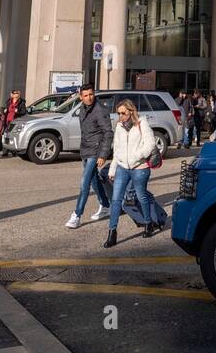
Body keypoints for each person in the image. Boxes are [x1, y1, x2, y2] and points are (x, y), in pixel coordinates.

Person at [103, 98, 158, 247]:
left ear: (131, 111)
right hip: (122, 167)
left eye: (123, 113)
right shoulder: (119, 126)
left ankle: (148, 223)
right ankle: (112, 233)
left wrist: (136, 156)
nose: (120, 116)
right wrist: (113, 168)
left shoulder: (142, 123)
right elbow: (117, 149)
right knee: (115, 200)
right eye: (119, 113)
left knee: (141, 196)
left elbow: (150, 144)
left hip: (139, 168)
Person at [66, 83, 112, 229]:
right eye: (85, 95)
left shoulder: (100, 110)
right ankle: (106, 206)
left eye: (91, 94)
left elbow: (108, 133)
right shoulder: (82, 108)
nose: (89, 97)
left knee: (84, 182)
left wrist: (103, 154)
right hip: (85, 150)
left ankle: (77, 215)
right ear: (81, 97)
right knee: (94, 181)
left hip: (95, 151)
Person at [0, 87, 28, 157]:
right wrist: (4, 110)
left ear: (18, 94)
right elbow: (5, 109)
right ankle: (5, 152)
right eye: (14, 93)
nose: (15, 94)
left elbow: (24, 112)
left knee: (13, 136)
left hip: (15, 121)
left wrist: (18, 112)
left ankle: (13, 151)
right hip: (7, 120)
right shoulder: (9, 101)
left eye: (16, 93)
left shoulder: (21, 102)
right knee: (6, 135)